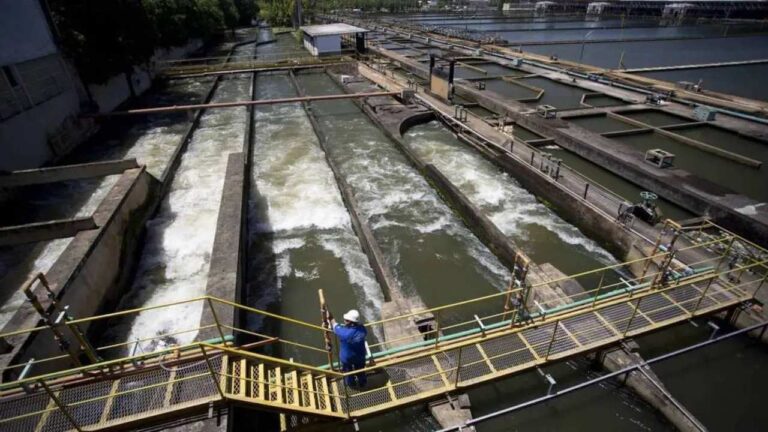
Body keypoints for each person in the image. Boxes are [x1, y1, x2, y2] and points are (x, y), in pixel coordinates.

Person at [329, 309, 368, 388]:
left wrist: (330, 316)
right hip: (360, 356)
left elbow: (335, 325)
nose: (344, 321)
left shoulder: (344, 333)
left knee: (348, 372)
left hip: (347, 358)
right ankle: (362, 382)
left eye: (346, 320)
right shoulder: (362, 329)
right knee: (360, 370)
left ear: (350, 322)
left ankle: (351, 384)